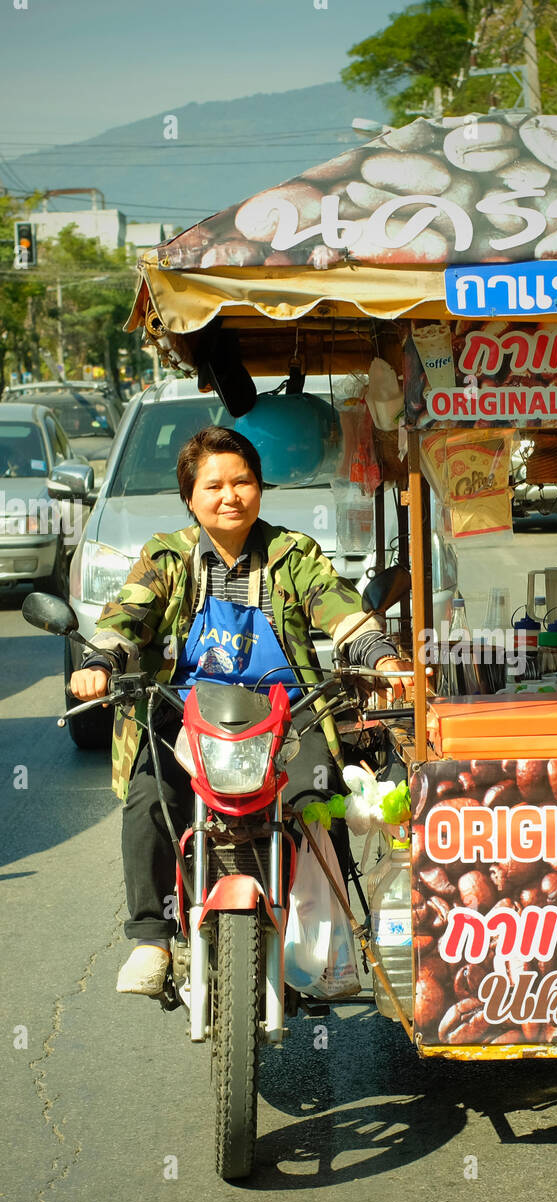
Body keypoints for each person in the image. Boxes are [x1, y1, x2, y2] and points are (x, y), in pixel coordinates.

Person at [70, 426, 413, 996]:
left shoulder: (292, 554)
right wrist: (101, 659)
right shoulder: (166, 556)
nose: (230, 496)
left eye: (243, 482)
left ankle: (317, 936)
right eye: (214, 486)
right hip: (185, 712)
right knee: (150, 797)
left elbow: (337, 606)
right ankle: (152, 939)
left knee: (315, 802)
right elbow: (128, 616)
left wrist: (379, 654)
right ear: (190, 495)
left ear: (260, 488)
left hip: (285, 713)